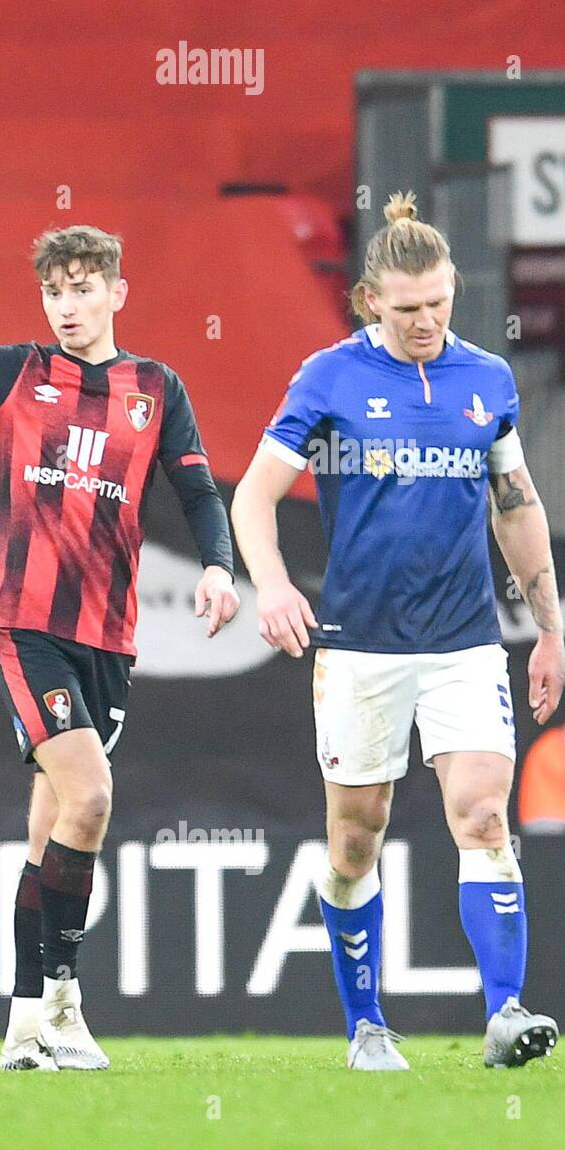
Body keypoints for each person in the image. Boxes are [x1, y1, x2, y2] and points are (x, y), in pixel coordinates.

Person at [0, 225, 238, 1070]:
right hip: (23, 623)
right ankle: (66, 999)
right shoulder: (16, 373)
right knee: (94, 797)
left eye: (82, 288)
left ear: (117, 291)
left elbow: (196, 488)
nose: (67, 306)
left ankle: (23, 1027)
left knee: (53, 833)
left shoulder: (156, 388)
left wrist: (219, 566)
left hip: (107, 639)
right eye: (54, 291)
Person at [231, 193, 563, 1070]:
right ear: (371, 299)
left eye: (440, 302)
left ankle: (504, 1013)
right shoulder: (329, 377)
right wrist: (269, 584)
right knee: (354, 840)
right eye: (408, 306)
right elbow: (254, 494)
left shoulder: (486, 379)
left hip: (464, 640)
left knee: (484, 814)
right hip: (360, 644)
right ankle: (367, 1024)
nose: (427, 321)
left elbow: (517, 509)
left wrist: (552, 629)